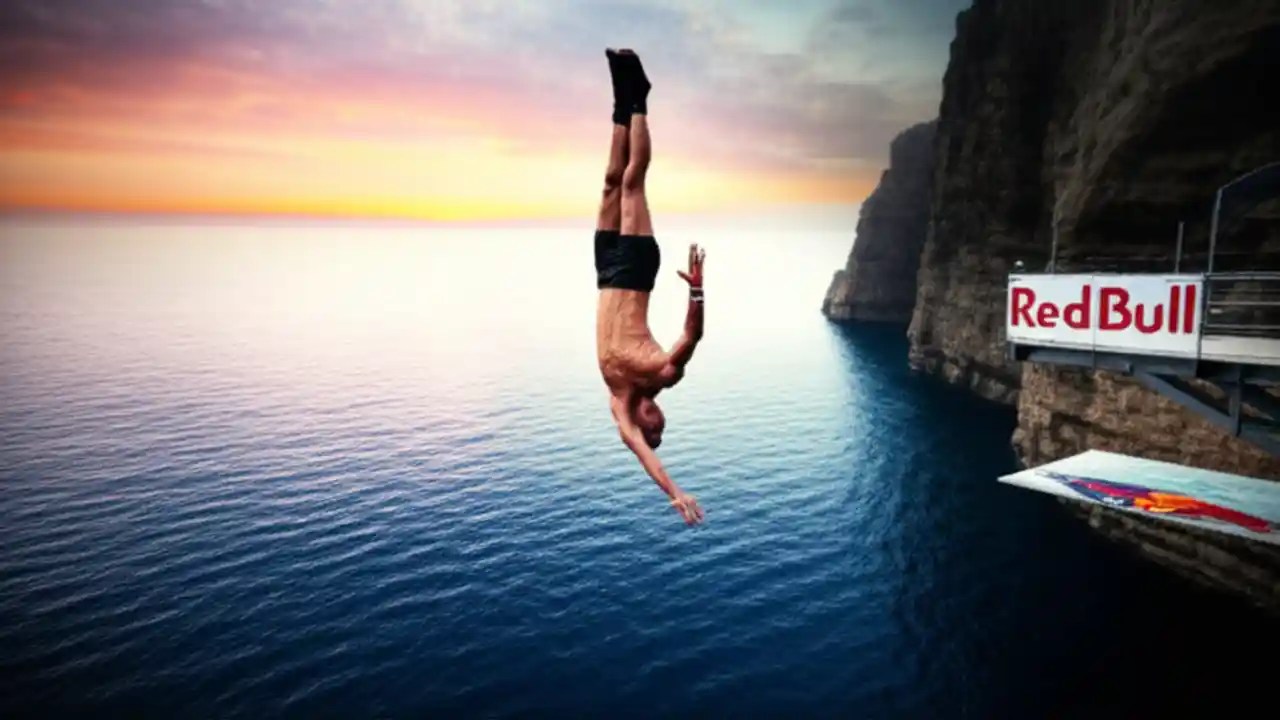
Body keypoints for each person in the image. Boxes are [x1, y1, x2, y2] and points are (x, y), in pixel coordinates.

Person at [594, 48, 706, 526]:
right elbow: (691, 338)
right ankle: (639, 97)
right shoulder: (662, 374)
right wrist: (696, 291)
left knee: (611, 183)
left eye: (653, 433)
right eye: (660, 430)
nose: (657, 428)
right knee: (633, 183)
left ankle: (621, 104)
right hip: (637, 270)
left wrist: (670, 491)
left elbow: (643, 455)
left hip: (604, 273)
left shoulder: (620, 402)